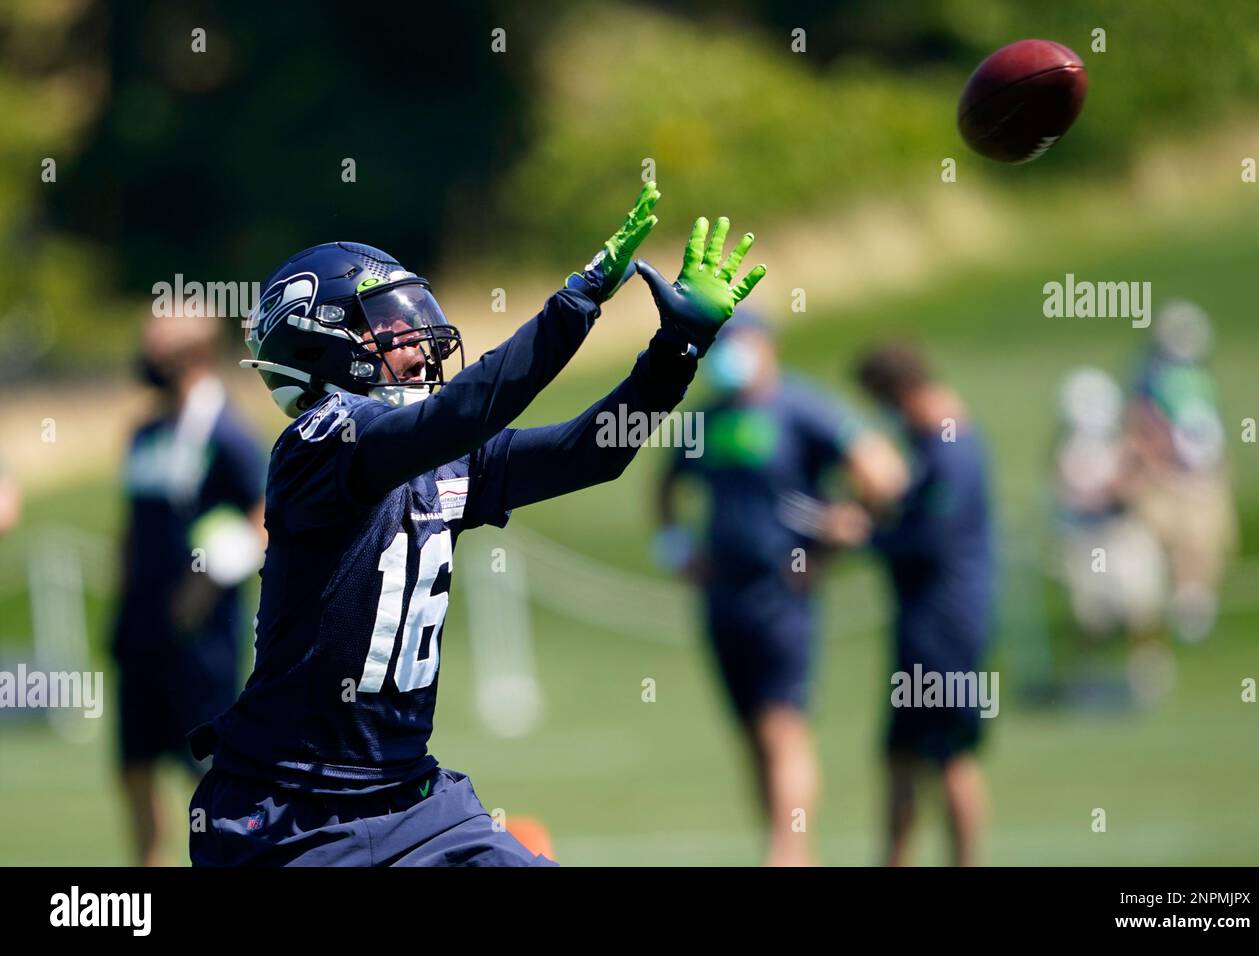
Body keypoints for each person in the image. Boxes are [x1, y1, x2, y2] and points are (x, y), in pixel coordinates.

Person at [188, 182, 769, 866]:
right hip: (288, 812)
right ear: (319, 340)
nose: (415, 334)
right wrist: (575, 304)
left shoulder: (435, 456)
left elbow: (594, 453)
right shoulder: (322, 440)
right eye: (386, 321)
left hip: (413, 799)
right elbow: (464, 413)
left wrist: (677, 350)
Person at [655, 316, 906, 866]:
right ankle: (789, 851)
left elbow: (883, 472)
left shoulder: (801, 407)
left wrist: (843, 534)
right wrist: (677, 546)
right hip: (723, 596)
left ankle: (788, 853)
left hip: (781, 592)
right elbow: (668, 484)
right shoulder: (711, 417)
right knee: (751, 732)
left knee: (781, 724)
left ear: (767, 346)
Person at [112, 311, 267, 866]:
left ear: (192, 355)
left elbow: (262, 514)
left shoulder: (226, 433)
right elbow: (133, 523)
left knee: (203, 766)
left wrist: (210, 579)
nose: (145, 357)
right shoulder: (145, 433)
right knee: (133, 763)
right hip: (140, 627)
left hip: (201, 638)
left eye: (158, 348)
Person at [854, 343, 994, 867]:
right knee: (902, 753)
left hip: (946, 622)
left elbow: (933, 541)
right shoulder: (930, 446)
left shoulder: (950, 448)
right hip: (922, 619)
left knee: (949, 752)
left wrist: (864, 535)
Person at [1052, 367, 1170, 706]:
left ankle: (1146, 676)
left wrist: (1134, 468)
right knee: (1091, 614)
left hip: (1122, 531)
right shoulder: (1070, 449)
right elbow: (1076, 494)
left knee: (1141, 603)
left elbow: (1139, 482)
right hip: (1087, 537)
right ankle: (1086, 677)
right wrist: (1110, 489)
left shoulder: (1120, 442)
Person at [1126, 301, 1237, 644]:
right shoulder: (1148, 379)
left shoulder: (1198, 380)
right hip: (1165, 480)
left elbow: (1207, 431)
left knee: (1206, 541)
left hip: (1199, 478)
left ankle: (1193, 603)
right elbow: (1142, 428)